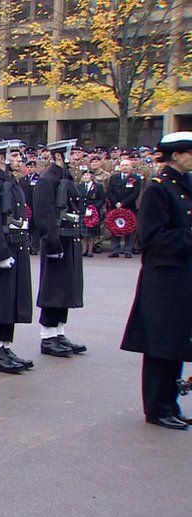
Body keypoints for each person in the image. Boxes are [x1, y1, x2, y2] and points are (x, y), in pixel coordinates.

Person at [121, 132, 192, 430]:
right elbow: (151, 237)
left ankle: (170, 402)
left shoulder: (185, 186)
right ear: (175, 155)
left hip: (181, 276)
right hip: (163, 277)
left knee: (177, 341)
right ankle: (157, 407)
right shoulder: (158, 190)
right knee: (160, 343)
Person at [0, 140, 35, 374]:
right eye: (16, 155)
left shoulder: (14, 184)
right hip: (3, 248)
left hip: (16, 246)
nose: (20, 159)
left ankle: (6, 346)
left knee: (11, 300)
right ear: (2, 158)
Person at [33, 140, 87, 358]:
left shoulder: (64, 177)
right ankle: (48, 335)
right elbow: (44, 215)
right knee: (53, 288)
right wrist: (52, 244)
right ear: (57, 156)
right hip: (57, 241)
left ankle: (59, 331)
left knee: (65, 288)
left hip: (69, 238)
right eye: (70, 153)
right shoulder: (47, 180)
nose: (75, 157)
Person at [106, 159, 142, 258]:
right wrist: (116, 203)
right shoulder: (113, 178)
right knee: (115, 228)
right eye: (123, 165)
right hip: (115, 206)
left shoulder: (136, 178)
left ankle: (128, 250)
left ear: (131, 167)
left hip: (129, 206)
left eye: (127, 165)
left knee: (129, 228)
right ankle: (115, 250)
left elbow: (135, 194)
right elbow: (110, 191)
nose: (124, 167)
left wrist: (122, 203)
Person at [79, 168, 105, 257]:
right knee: (83, 233)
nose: (85, 177)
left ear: (92, 176)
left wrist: (95, 207)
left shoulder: (98, 186)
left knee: (91, 232)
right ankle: (84, 249)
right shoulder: (79, 186)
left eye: (87, 175)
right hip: (82, 211)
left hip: (93, 212)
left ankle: (90, 249)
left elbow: (102, 199)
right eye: (84, 175)